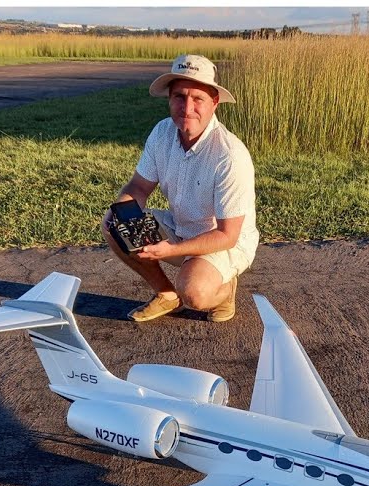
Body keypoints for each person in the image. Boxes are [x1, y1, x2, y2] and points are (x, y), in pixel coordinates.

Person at [101, 54, 259, 323]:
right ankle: (166, 294)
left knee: (195, 293)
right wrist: (123, 212)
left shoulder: (230, 155)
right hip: (180, 225)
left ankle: (224, 289)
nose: (187, 107)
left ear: (214, 103)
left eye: (198, 99)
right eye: (179, 97)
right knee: (114, 222)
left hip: (224, 242)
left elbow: (227, 235)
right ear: (169, 99)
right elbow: (139, 186)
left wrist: (169, 251)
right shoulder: (162, 132)